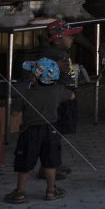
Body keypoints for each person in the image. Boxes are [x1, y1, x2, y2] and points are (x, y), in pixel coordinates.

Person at [4, 58, 72, 203]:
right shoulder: (58, 91)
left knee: (25, 162)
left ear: (35, 77)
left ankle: (20, 192)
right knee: (50, 162)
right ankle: (51, 191)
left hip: (29, 132)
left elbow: (15, 113)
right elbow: (72, 96)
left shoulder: (26, 93)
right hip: (52, 131)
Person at [38, 19, 87, 182]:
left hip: (62, 98)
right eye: (69, 37)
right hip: (57, 102)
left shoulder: (60, 55)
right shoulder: (54, 57)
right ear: (58, 40)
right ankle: (48, 167)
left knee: (56, 135)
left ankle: (54, 164)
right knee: (52, 135)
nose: (72, 39)